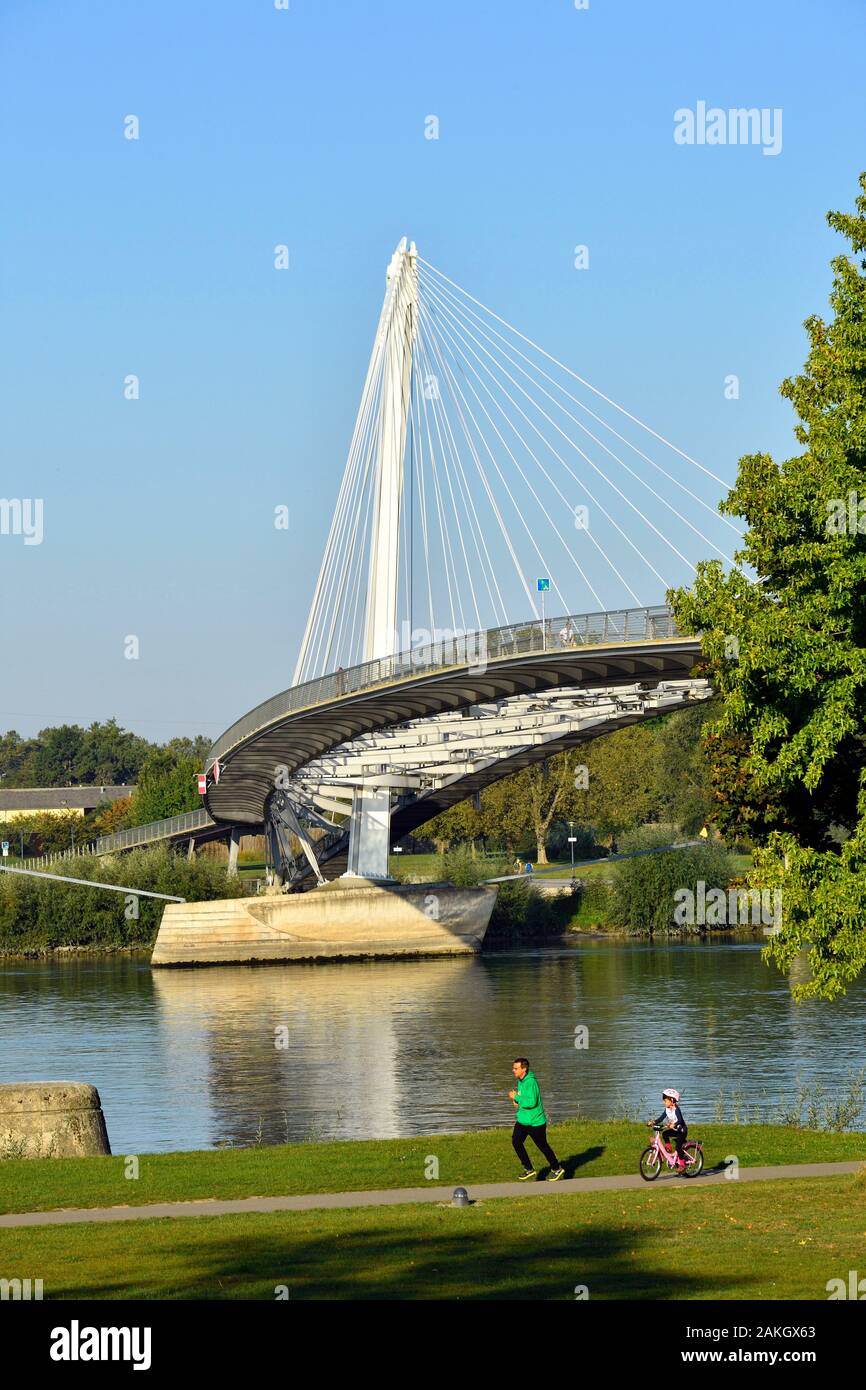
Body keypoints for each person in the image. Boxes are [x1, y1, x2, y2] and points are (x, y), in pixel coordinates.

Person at [509, 1058, 565, 1181]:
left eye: (516, 1068)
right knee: (516, 1142)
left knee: (543, 1146)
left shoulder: (531, 1082)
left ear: (524, 1069)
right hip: (523, 1120)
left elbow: (532, 1102)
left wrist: (517, 1097)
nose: (513, 1070)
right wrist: (516, 1101)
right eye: (513, 1068)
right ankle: (529, 1169)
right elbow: (524, 1097)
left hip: (535, 1122)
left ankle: (557, 1168)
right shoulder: (520, 1081)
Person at [651, 1087, 688, 1170]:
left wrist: (674, 1124)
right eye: (664, 1101)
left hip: (681, 1131)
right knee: (665, 1134)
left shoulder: (676, 1109)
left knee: (678, 1148)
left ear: (672, 1101)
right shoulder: (667, 1109)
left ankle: (682, 1165)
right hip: (675, 1130)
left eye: (665, 1101)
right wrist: (654, 1122)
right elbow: (661, 1118)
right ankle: (668, 1148)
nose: (663, 1102)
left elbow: (680, 1120)